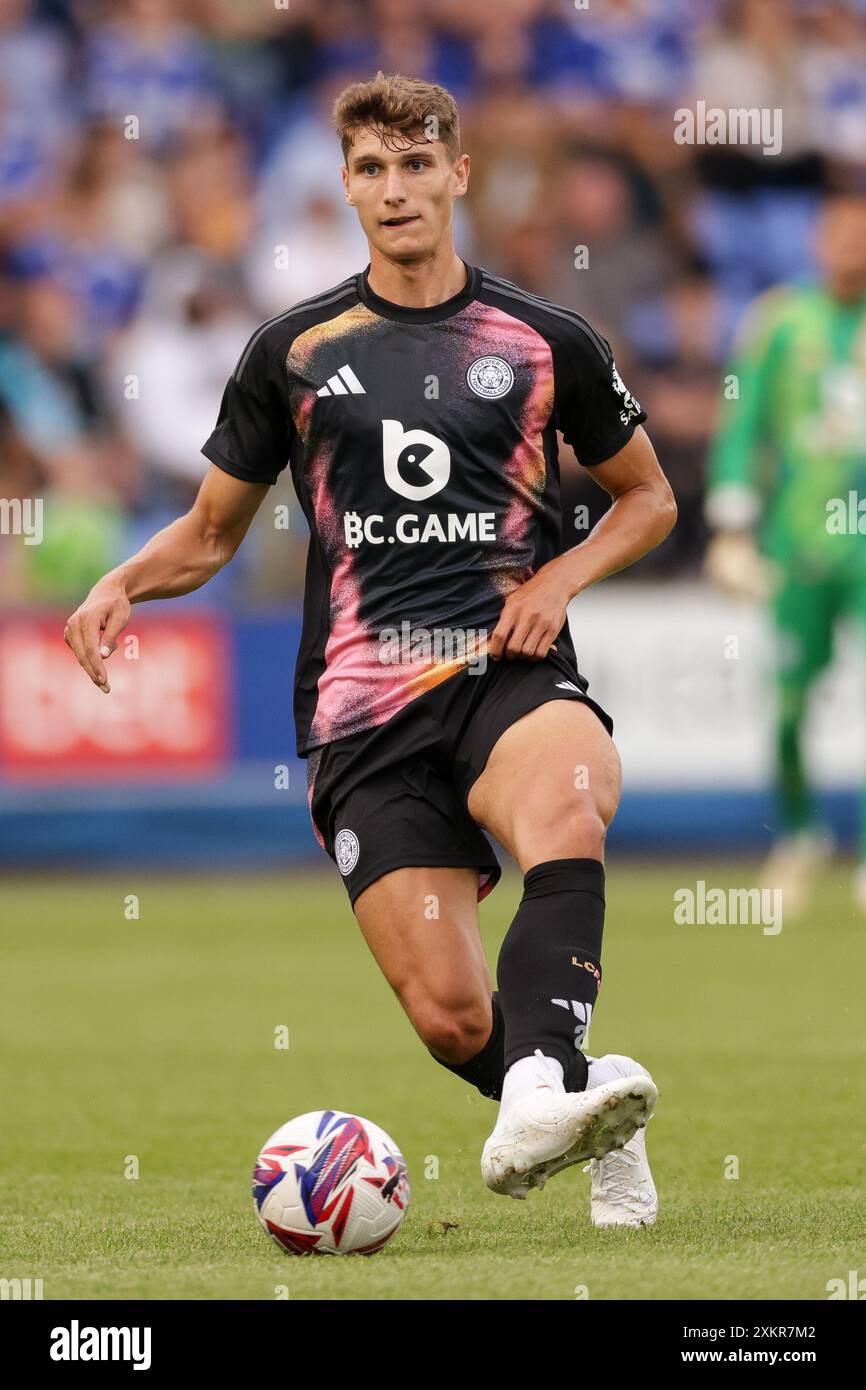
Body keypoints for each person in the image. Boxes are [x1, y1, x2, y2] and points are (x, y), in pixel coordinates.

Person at [64, 73, 676, 1226]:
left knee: (570, 791)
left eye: (415, 164)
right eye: (369, 169)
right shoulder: (290, 353)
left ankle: (543, 1080)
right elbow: (208, 532)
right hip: (361, 711)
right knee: (449, 1014)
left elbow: (645, 499)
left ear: (457, 173)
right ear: (344, 186)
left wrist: (557, 576)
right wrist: (123, 580)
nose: (394, 189)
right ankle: (589, 1111)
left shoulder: (546, 339)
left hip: (505, 664)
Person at [706, 193, 866, 916]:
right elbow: (744, 424)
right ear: (816, 242)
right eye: (840, 236)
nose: (851, 250)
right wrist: (733, 523)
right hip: (801, 543)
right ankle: (801, 836)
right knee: (793, 698)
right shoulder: (780, 321)